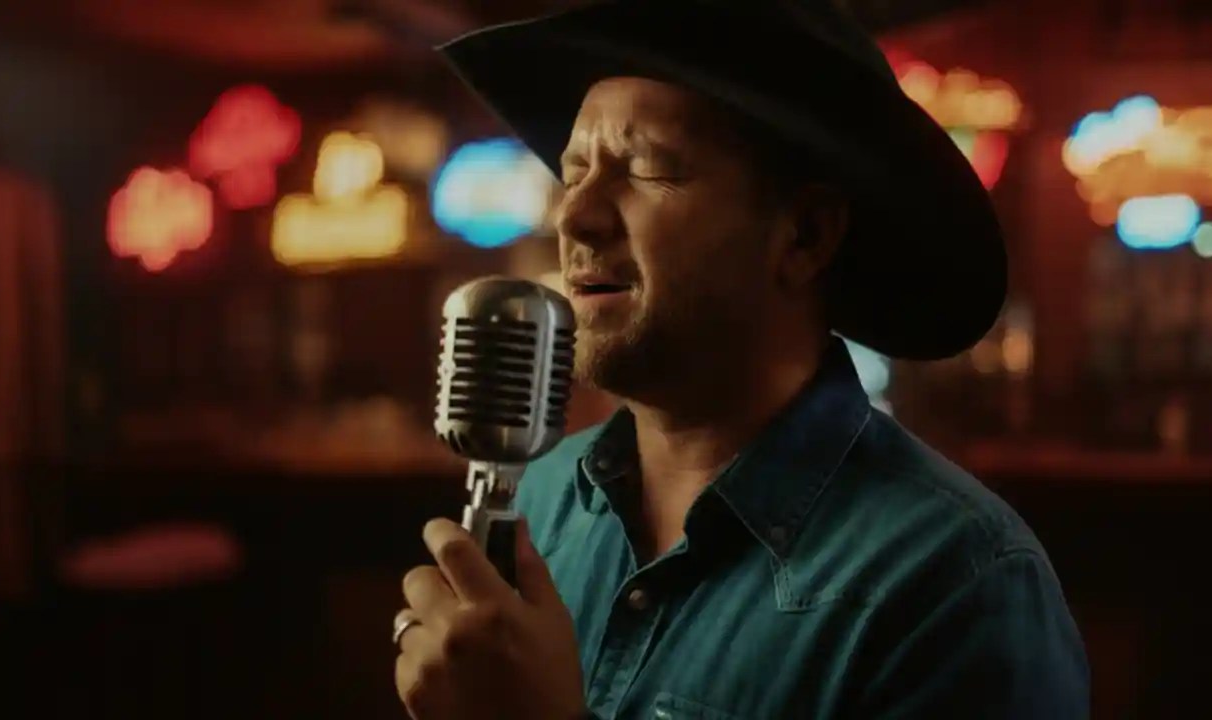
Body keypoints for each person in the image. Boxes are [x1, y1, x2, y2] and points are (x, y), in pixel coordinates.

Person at [392, 1, 1090, 718]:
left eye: (645, 169)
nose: (576, 217)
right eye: (575, 175)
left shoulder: (953, 585)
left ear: (805, 236)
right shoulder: (538, 502)